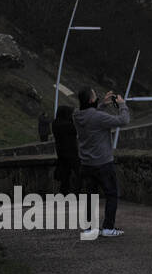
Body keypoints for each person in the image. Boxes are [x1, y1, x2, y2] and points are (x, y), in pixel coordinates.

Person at [73, 88, 130, 237]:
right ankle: (108, 228)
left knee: (90, 196)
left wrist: (103, 105)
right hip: (103, 163)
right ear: (92, 100)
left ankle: (90, 228)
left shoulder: (77, 115)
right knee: (111, 194)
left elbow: (89, 114)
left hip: (86, 163)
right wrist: (122, 105)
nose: (97, 97)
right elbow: (123, 120)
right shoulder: (98, 117)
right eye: (94, 95)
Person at [51, 104, 79, 195]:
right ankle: (78, 192)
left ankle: (64, 193)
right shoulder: (68, 125)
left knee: (65, 175)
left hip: (61, 152)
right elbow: (76, 131)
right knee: (79, 173)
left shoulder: (55, 123)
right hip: (71, 152)